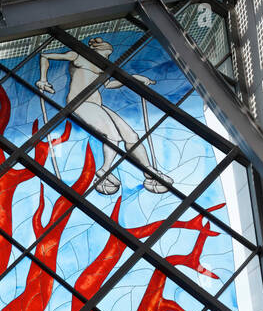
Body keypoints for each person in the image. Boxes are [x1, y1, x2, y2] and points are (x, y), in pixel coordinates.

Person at [36, 37, 169, 194]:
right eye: (105, 55)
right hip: (79, 104)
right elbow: (44, 55)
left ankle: (148, 171)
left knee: (131, 135)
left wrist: (136, 79)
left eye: (108, 56)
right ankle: (104, 171)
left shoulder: (102, 68)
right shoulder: (77, 56)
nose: (106, 58)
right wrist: (43, 80)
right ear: (97, 51)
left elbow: (109, 84)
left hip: (96, 105)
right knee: (111, 135)